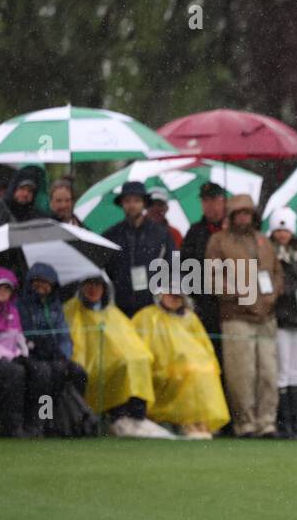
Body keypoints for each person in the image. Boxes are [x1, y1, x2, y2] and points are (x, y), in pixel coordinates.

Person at [204, 194, 281, 437]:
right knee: (241, 373)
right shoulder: (219, 241)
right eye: (239, 213)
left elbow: (277, 275)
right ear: (232, 216)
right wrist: (241, 294)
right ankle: (245, 422)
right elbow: (212, 277)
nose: (243, 217)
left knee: (268, 371)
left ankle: (266, 421)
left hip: (266, 316)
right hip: (236, 315)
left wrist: (270, 298)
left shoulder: (263, 241)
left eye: (247, 213)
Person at [62, 271, 169, 437]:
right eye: (89, 285)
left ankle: (136, 416)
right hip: (93, 363)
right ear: (81, 288)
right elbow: (78, 346)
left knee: (139, 360)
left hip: (115, 359)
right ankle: (119, 415)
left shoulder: (111, 312)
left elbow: (128, 339)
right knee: (122, 365)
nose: (93, 289)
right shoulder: (72, 310)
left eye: (98, 285)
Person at [130, 279, 229, 438]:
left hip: (193, 365)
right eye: (170, 294)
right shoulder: (148, 316)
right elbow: (138, 346)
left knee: (204, 372)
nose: (173, 298)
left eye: (177, 295)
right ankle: (188, 421)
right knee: (188, 373)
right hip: (162, 367)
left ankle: (199, 422)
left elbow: (205, 346)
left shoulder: (190, 318)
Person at [15, 263, 88, 437]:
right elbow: (22, 333)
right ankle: (40, 421)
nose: (42, 286)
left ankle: (72, 419)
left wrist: (64, 354)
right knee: (44, 374)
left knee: (77, 372)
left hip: (53, 355)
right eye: (38, 282)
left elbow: (63, 335)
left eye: (46, 283)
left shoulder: (55, 306)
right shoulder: (22, 305)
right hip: (29, 354)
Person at [268, 209, 297, 439]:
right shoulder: (269, 253)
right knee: (283, 371)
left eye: (286, 229)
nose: (282, 233)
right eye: (278, 229)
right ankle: (284, 421)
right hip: (281, 318)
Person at [101, 180, 173, 318]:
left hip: (153, 306)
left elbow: (172, 266)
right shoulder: (111, 235)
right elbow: (104, 270)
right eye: (127, 201)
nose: (132, 205)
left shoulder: (161, 234)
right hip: (120, 308)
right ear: (122, 204)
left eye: (136, 200)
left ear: (144, 203)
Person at [180, 182, 228, 349]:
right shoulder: (195, 232)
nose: (209, 205)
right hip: (204, 304)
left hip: (231, 305)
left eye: (213, 200)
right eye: (205, 201)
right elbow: (185, 267)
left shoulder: (234, 231)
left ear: (223, 201)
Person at [0, 268, 29, 436]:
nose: (3, 292)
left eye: (6, 288)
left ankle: (41, 420)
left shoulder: (13, 311)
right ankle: (11, 425)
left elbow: (19, 337)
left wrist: (24, 353)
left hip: (12, 356)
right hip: (1, 359)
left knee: (41, 371)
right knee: (15, 373)